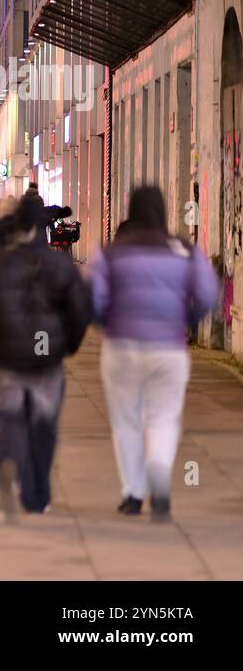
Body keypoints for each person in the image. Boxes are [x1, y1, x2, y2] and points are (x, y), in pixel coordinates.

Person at [89, 186, 218, 522]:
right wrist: (186, 321)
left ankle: (133, 493)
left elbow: (94, 299)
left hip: (122, 347)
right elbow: (207, 293)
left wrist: (108, 322)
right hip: (169, 348)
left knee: (126, 419)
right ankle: (159, 474)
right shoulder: (184, 251)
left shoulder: (113, 252)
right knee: (163, 416)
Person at [0, 194, 91, 520]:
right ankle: (39, 496)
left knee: (9, 422)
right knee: (43, 426)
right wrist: (68, 346)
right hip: (47, 362)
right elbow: (80, 311)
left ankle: (11, 481)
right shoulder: (60, 264)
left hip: (6, 360)